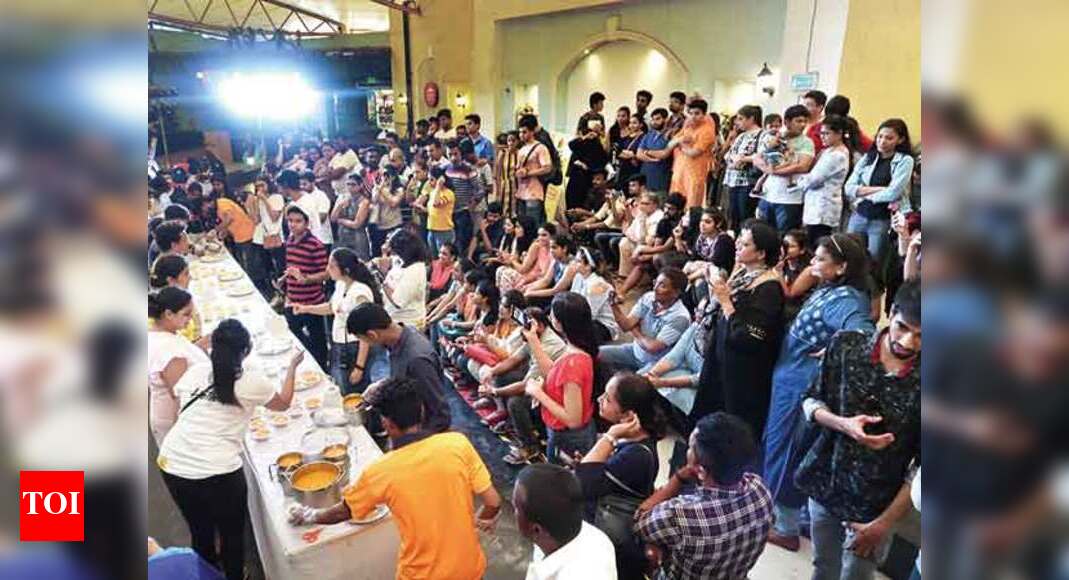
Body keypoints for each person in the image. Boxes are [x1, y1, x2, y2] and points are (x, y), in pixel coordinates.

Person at [288, 377, 501, 580]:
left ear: (387, 423)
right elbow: (494, 502)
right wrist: (476, 525)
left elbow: (345, 511)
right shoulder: (457, 443)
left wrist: (310, 515)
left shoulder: (381, 470)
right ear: (422, 410)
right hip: (470, 567)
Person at [796, 280, 921, 580]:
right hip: (827, 482)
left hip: (876, 506)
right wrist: (843, 424)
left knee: (857, 575)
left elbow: (924, 469)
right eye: (902, 328)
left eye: (920, 337)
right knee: (822, 567)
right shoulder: (846, 345)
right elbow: (810, 401)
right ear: (891, 312)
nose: (907, 342)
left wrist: (883, 524)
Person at [158, 320, 300, 580]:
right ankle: (235, 575)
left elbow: (183, 410)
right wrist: (291, 368)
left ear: (213, 345)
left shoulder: (196, 371)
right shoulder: (251, 381)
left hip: (173, 462)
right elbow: (283, 404)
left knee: (201, 531)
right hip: (218, 469)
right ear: (246, 350)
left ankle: (207, 574)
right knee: (231, 533)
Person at [763, 233, 874, 552]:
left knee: (785, 450)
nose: (813, 263)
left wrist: (832, 350)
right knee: (777, 444)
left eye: (820, 259)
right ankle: (785, 517)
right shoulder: (832, 288)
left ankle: (785, 528)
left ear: (841, 267)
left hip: (801, 383)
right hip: (789, 375)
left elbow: (863, 334)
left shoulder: (848, 300)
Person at [634, 412, 774, 580]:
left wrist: (677, 478)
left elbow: (639, 521)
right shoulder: (761, 490)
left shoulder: (682, 514)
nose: (688, 450)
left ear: (700, 470)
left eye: (691, 447)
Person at [687, 220, 785, 436]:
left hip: (742, 371)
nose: (738, 245)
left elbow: (749, 336)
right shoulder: (743, 273)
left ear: (761, 253)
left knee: (731, 429)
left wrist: (725, 300)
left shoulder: (769, 288)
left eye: (746, 244)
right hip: (721, 356)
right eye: (740, 239)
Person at [577, 373, 664, 580]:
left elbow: (581, 483)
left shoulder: (635, 456)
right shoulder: (638, 441)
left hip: (617, 549)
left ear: (628, 416)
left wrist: (611, 435)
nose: (599, 399)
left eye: (607, 398)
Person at [289, 249, 388, 394]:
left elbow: (366, 331)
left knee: (354, 392)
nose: (327, 269)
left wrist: (359, 367)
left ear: (345, 269)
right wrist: (305, 309)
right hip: (339, 346)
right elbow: (332, 307)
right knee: (340, 387)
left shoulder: (360, 293)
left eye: (332, 266)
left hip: (354, 348)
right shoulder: (340, 284)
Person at [346, 303, 451, 433]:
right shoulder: (399, 337)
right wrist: (385, 384)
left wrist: (415, 441)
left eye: (362, 339)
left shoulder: (416, 359)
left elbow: (440, 413)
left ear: (372, 335)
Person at [522, 292, 600, 463]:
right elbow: (554, 372)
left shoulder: (573, 363)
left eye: (552, 314)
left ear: (559, 322)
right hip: (567, 433)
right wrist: (534, 340)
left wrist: (538, 393)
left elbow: (573, 420)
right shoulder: (579, 348)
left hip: (569, 437)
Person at [514, 464, 617, 580]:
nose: (514, 512)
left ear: (537, 529)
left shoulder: (582, 574)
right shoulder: (584, 533)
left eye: (516, 508)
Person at [844, 118, 915, 262]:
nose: (882, 141)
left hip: (884, 218)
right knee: (849, 254)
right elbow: (849, 188)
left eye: (889, 138)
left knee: (875, 259)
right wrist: (880, 189)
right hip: (860, 213)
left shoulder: (905, 160)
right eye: (880, 137)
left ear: (900, 140)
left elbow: (893, 193)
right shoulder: (868, 158)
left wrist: (865, 193)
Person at [599, 268, 690, 373]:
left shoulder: (680, 317)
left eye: (662, 286)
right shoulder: (649, 297)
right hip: (634, 351)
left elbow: (652, 347)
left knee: (629, 384)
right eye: (656, 282)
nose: (655, 288)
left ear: (676, 293)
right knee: (596, 354)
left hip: (656, 363)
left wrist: (636, 331)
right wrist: (613, 305)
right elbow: (625, 325)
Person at [147, 287, 208, 445]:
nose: (190, 319)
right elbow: (181, 397)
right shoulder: (171, 352)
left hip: (163, 414)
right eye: (186, 314)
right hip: (176, 421)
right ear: (168, 314)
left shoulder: (157, 334)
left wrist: (205, 342)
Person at [279, 205, 329, 367]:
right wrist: (286, 278)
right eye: (290, 221)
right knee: (292, 333)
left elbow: (326, 274)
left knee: (318, 340)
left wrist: (305, 279)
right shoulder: (290, 241)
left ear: (307, 223)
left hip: (312, 301)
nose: (293, 225)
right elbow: (294, 267)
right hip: (293, 298)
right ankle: (307, 360)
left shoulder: (315, 245)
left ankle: (321, 366)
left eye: (298, 221)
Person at [753, 104, 816, 233]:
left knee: (784, 236)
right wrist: (767, 168)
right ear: (787, 122)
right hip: (768, 194)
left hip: (789, 199)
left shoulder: (807, 142)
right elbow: (757, 159)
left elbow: (803, 166)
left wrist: (774, 171)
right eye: (798, 121)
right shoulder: (774, 137)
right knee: (763, 234)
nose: (803, 124)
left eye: (805, 121)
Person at [794, 115, 858, 242]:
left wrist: (798, 180)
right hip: (816, 204)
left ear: (839, 134)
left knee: (817, 241)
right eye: (821, 133)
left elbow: (814, 179)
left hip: (823, 207)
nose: (822, 136)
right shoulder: (829, 151)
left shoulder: (837, 155)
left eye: (826, 133)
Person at [665, 98, 719, 211]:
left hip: (695, 175)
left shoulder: (707, 131)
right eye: (691, 113)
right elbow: (670, 144)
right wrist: (681, 142)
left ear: (704, 115)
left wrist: (680, 144)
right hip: (679, 172)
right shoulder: (687, 126)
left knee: (691, 209)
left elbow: (693, 153)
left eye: (697, 114)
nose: (693, 117)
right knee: (674, 206)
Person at [722, 105, 764, 232]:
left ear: (751, 119)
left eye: (741, 119)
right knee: (732, 214)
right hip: (732, 179)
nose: (737, 122)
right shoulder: (741, 136)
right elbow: (729, 154)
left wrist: (743, 159)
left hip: (747, 180)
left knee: (744, 214)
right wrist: (733, 159)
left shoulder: (762, 135)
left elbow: (762, 155)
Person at [380, 228, 430, 329]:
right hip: (393, 319)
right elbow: (389, 261)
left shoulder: (414, 271)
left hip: (408, 325)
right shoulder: (401, 260)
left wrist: (382, 281)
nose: (392, 252)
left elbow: (398, 302)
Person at [244, 179, 286, 299]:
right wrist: (251, 204)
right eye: (257, 186)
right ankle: (274, 293)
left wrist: (264, 199)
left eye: (262, 185)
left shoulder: (277, 197)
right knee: (268, 268)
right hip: (263, 238)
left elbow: (274, 217)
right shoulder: (258, 200)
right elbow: (256, 220)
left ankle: (284, 293)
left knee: (280, 268)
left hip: (278, 238)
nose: (260, 188)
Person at [570, 247, 620, 343]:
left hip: (603, 325)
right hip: (585, 316)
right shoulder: (578, 277)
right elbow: (571, 298)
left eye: (578, 261)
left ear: (588, 266)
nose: (574, 263)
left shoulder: (597, 284)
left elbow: (590, 314)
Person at [445, 139, 485, 256]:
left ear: (461, 153)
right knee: (450, 244)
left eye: (455, 154)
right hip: (448, 213)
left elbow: (480, 190)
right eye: (450, 155)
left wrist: (472, 204)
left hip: (463, 212)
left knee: (462, 244)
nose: (453, 158)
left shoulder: (469, 169)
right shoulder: (446, 169)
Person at [515, 114, 554, 225]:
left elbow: (547, 168)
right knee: (521, 224)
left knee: (533, 224)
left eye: (524, 132)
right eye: (520, 132)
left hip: (534, 191)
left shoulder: (540, 148)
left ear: (532, 132)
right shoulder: (521, 149)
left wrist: (529, 173)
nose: (521, 135)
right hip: (521, 191)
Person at [565, 118, 611, 211]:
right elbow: (571, 145)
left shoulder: (596, 142)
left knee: (581, 205)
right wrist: (585, 137)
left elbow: (603, 159)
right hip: (576, 178)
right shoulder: (581, 142)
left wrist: (587, 167)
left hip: (586, 180)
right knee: (572, 204)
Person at [497, 222, 555, 293]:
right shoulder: (536, 246)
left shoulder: (552, 252)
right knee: (500, 270)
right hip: (529, 276)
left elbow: (525, 270)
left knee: (506, 274)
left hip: (537, 281)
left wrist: (512, 260)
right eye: (539, 235)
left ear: (552, 236)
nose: (540, 238)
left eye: (544, 235)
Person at [523, 234, 579, 308]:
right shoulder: (555, 260)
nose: (551, 251)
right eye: (550, 248)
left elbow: (555, 291)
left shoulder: (571, 266)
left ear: (564, 248)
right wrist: (527, 288)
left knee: (530, 298)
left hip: (564, 301)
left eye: (554, 247)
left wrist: (531, 293)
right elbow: (546, 280)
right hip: (554, 296)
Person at [776, 228, 818, 323]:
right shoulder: (783, 261)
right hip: (785, 302)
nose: (786, 249)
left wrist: (779, 272)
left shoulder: (809, 270)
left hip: (800, 307)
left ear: (802, 250)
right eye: (785, 245)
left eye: (791, 246)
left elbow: (790, 294)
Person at [331, 173, 373, 260]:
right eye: (348, 184)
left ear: (360, 185)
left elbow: (356, 224)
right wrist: (340, 206)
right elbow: (333, 218)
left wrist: (341, 221)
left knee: (360, 262)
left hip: (357, 237)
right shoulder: (342, 197)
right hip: (342, 236)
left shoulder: (364, 201)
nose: (350, 187)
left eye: (353, 184)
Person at [420, 165, 456, 254]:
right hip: (432, 229)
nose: (429, 182)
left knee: (443, 257)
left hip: (443, 231)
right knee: (434, 258)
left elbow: (436, 204)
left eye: (432, 179)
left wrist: (439, 186)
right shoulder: (433, 192)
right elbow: (432, 210)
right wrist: (421, 208)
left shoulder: (448, 193)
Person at [635, 107, 672, 193]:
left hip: (661, 178)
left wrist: (647, 152)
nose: (654, 122)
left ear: (665, 119)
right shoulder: (649, 134)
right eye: (653, 119)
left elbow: (663, 154)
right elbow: (638, 154)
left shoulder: (669, 136)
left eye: (658, 119)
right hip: (645, 176)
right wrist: (652, 159)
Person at [299, 170, 335, 252]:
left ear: (313, 182)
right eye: (300, 184)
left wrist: (303, 221)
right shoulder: (303, 197)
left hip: (322, 239)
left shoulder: (321, 196)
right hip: (307, 239)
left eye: (304, 184)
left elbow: (322, 217)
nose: (302, 187)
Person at [614, 114, 645, 188]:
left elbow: (639, 153)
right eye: (630, 123)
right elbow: (618, 153)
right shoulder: (626, 138)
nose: (631, 125)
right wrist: (630, 155)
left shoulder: (644, 138)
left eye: (634, 123)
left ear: (641, 125)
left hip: (636, 170)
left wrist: (632, 155)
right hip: (623, 169)